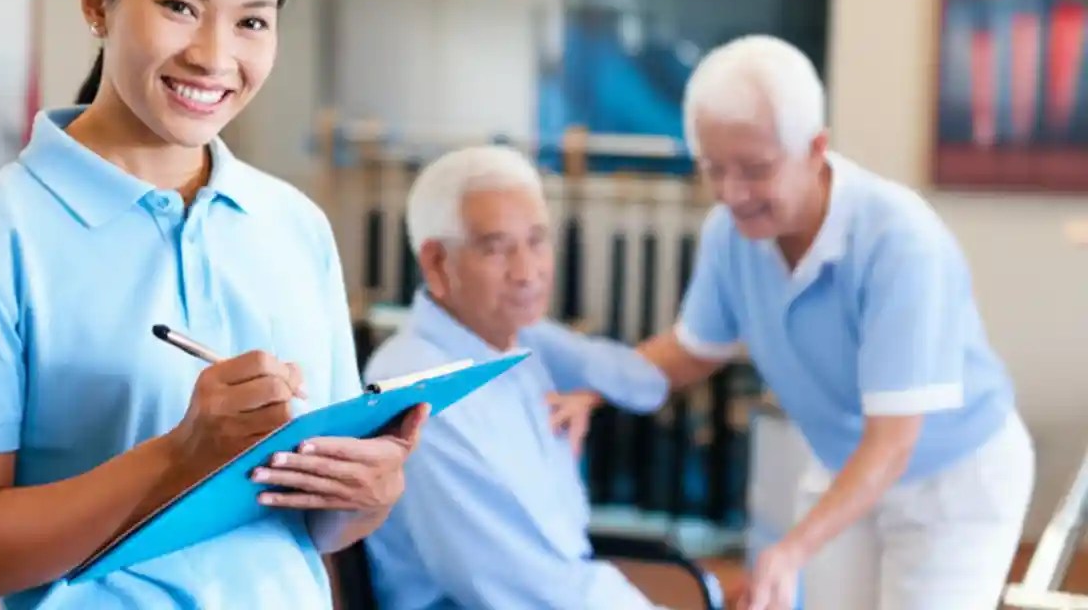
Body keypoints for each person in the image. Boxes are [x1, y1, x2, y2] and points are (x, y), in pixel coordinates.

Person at [0, 0, 426, 608]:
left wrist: (372, 491)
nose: (214, 55)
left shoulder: (294, 225)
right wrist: (178, 455)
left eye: (252, 21)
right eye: (179, 6)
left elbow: (314, 525)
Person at [635, 35, 1034, 610]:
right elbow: (693, 349)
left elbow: (893, 444)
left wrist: (790, 551)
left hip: (952, 480)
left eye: (755, 169)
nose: (732, 193)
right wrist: (587, 390)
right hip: (846, 464)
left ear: (815, 149)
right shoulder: (730, 233)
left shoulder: (899, 241)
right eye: (713, 169)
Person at [362, 146, 672, 610]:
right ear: (436, 263)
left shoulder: (513, 338)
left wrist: (589, 394)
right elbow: (519, 588)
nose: (528, 273)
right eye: (496, 248)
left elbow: (646, 384)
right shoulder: (421, 389)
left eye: (537, 240)